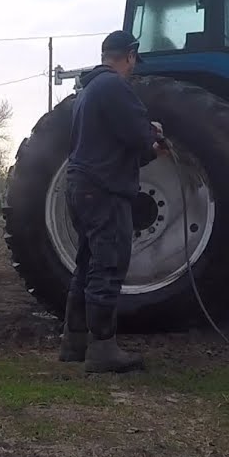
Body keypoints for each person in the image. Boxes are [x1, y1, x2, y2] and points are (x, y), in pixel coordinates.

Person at [58, 30, 168, 373]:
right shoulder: (115, 87)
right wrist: (154, 136)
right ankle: (103, 350)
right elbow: (136, 136)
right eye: (134, 60)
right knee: (109, 265)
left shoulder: (89, 90)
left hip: (82, 186)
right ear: (130, 55)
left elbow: (110, 141)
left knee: (87, 265)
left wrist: (145, 145)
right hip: (103, 190)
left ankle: (74, 342)